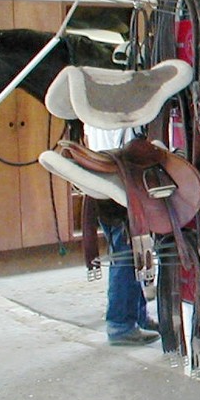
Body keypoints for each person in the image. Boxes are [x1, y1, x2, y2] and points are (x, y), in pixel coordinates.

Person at [85, 125, 159, 346]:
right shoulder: (118, 113)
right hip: (119, 178)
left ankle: (136, 315)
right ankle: (120, 325)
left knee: (130, 253)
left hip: (105, 177)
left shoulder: (93, 111)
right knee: (126, 254)